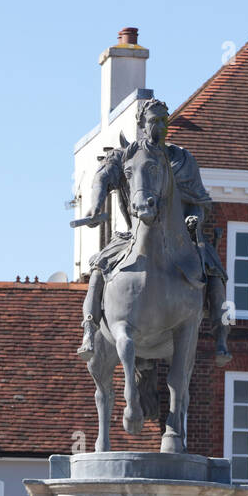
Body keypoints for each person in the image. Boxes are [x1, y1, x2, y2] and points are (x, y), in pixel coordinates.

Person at [76, 97, 232, 364]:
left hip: (181, 237)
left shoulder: (182, 160)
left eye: (163, 121)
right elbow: (102, 176)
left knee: (214, 268)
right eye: (153, 121)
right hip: (133, 235)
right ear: (141, 124)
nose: (159, 127)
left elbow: (200, 203)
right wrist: (94, 206)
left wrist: (193, 219)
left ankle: (221, 333)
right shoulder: (127, 155)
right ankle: (89, 328)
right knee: (100, 265)